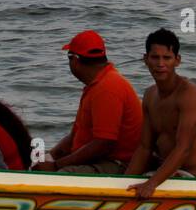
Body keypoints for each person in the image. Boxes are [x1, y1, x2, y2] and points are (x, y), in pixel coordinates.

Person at [33, 31, 142, 174]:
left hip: (117, 164)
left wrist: (56, 166)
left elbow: (104, 144)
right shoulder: (98, 84)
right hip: (102, 159)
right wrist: (49, 157)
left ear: (75, 60)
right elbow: (75, 136)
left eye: (69, 57)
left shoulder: (107, 88)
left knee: (62, 175)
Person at [126, 28, 196, 199]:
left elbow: (183, 148)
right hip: (159, 173)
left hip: (188, 177)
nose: (160, 64)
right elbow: (145, 147)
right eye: (155, 57)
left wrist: (152, 184)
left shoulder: (190, 94)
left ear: (177, 61)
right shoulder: (149, 95)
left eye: (167, 58)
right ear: (145, 59)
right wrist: (123, 182)